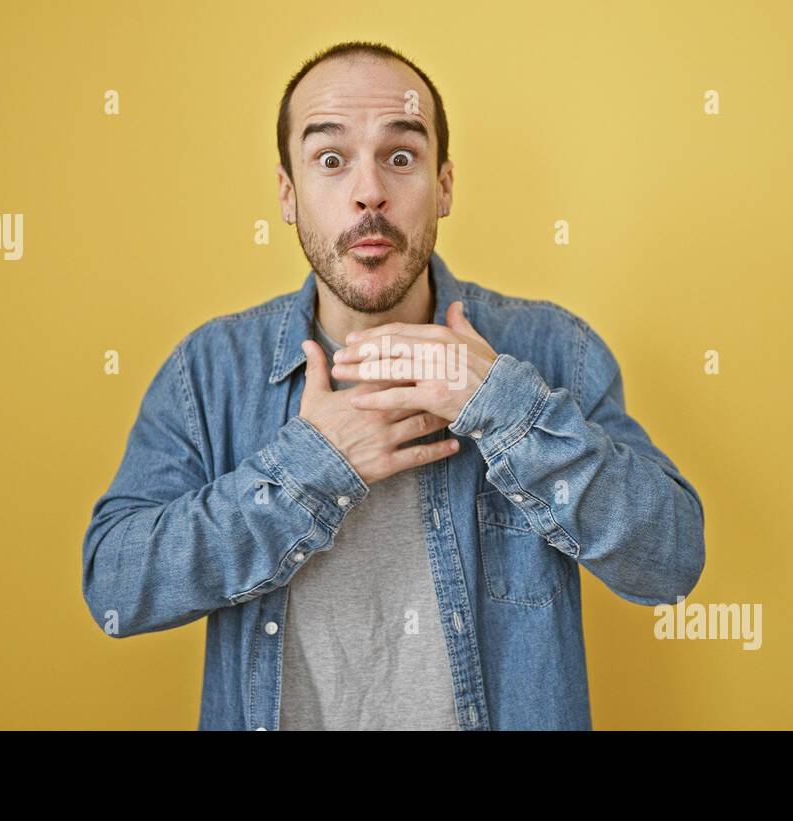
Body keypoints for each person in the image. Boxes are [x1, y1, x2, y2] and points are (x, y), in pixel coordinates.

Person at [81, 40, 706, 730]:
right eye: (330, 159)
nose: (368, 190)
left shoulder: (554, 350)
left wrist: (505, 407)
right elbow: (115, 585)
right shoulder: (209, 371)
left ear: (443, 184)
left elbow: (671, 562)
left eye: (400, 156)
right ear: (288, 195)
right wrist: (309, 468)